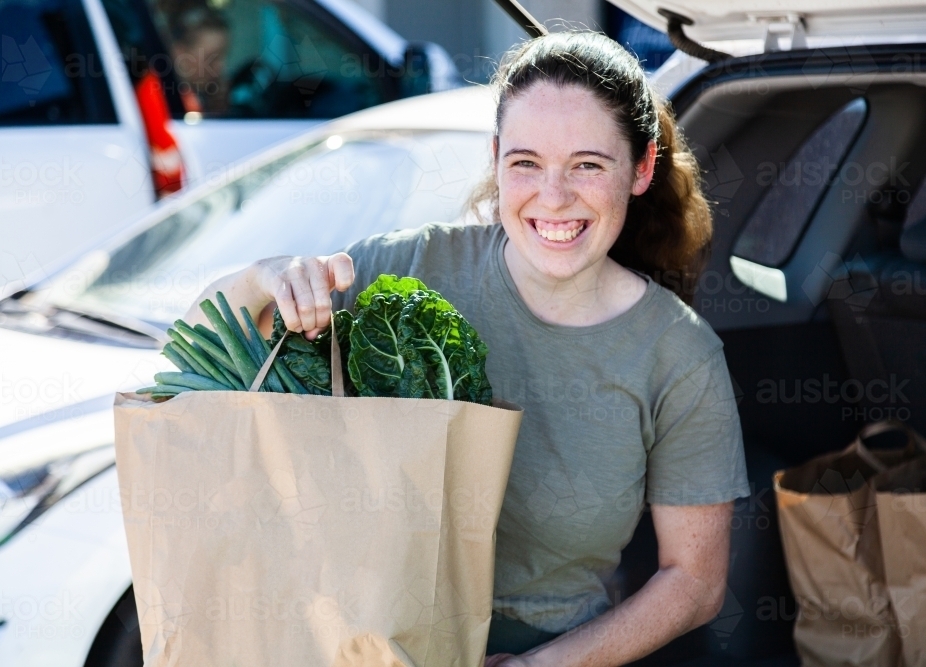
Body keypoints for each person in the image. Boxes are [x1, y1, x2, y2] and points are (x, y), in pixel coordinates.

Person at [185, 30, 750, 667]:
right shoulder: (414, 269)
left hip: (553, 651)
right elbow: (202, 349)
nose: (554, 196)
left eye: (588, 165)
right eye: (526, 163)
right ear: (496, 160)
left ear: (641, 168)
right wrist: (265, 279)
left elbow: (695, 583)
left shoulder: (679, 355)